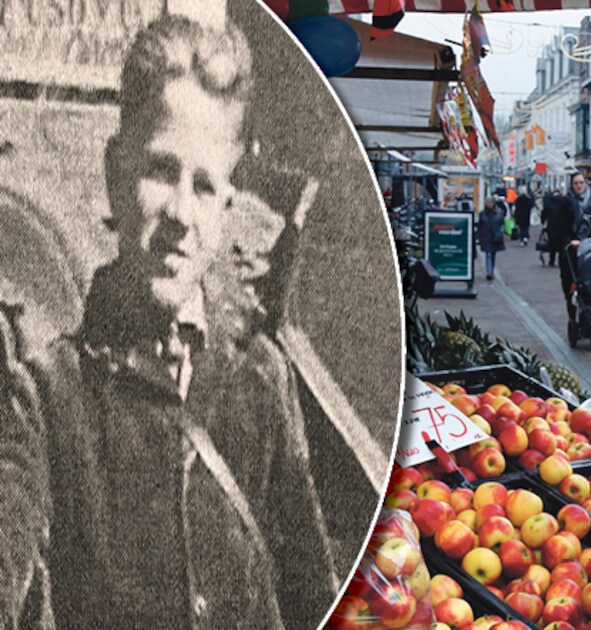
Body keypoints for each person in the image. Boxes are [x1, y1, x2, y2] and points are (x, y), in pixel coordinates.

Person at [5, 16, 342, 628]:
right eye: (161, 171)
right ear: (114, 173)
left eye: (207, 186)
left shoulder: (261, 378)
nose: (182, 213)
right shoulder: (44, 398)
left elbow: (315, 595)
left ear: (227, 207)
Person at [559, 172, 591, 322]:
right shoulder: (566, 203)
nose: (579, 186)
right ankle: (572, 316)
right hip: (571, 252)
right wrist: (570, 241)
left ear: (586, 184)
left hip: (590, 250)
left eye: (581, 183)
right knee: (570, 284)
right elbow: (561, 227)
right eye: (576, 183)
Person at [478, 196, 507, 281]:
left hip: (495, 238)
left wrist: (500, 233)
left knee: (493, 255)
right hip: (486, 237)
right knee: (488, 255)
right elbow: (480, 226)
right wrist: (479, 237)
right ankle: (489, 272)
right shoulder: (482, 214)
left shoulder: (499, 213)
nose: (488, 204)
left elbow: (502, 224)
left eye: (489, 202)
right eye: (487, 202)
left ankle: (491, 270)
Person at [542, 188, 573, 267]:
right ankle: (560, 261)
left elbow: (544, 212)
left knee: (552, 244)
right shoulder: (564, 201)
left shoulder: (549, 201)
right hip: (562, 226)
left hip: (551, 226)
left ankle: (551, 260)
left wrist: (543, 221)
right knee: (561, 245)